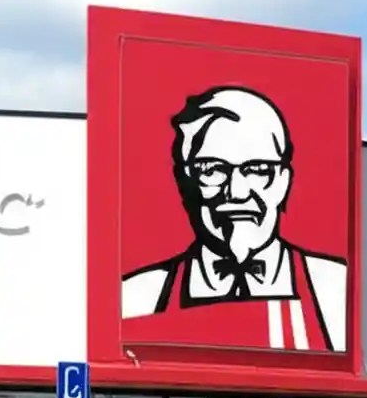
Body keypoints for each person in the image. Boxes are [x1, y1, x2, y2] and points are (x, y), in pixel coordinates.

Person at [121, 86, 347, 352]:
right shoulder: (139, 296)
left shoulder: (333, 287)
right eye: (213, 169)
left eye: (258, 169)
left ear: (284, 181)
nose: (237, 192)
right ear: (184, 182)